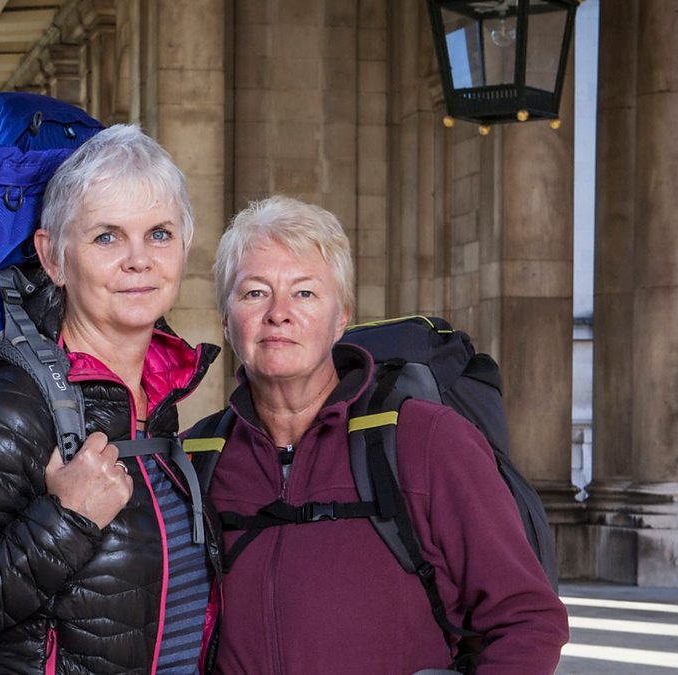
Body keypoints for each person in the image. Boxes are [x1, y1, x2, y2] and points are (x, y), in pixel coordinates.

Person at [0, 124, 221, 674]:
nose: (139, 260)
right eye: (106, 237)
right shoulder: (10, 412)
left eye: (159, 233)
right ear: (54, 258)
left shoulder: (158, 405)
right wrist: (65, 522)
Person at [197, 195, 569, 674]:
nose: (279, 313)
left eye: (305, 293)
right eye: (254, 293)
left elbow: (527, 619)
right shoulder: (195, 459)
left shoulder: (428, 441)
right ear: (226, 320)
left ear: (342, 318)